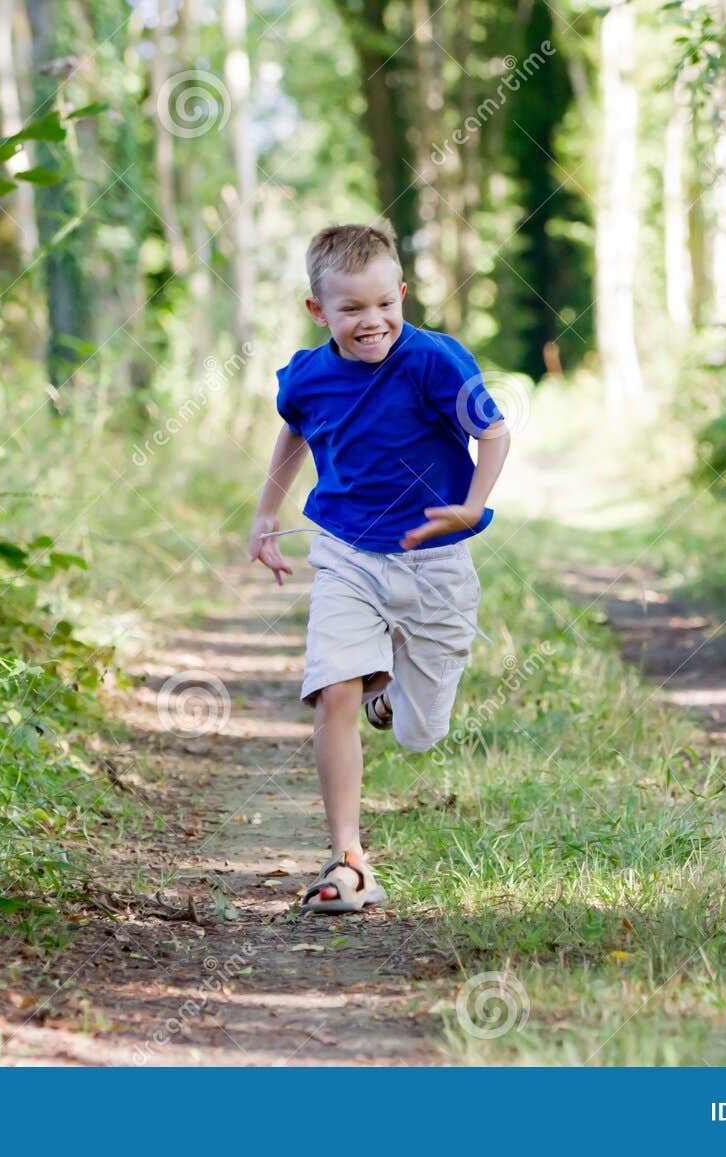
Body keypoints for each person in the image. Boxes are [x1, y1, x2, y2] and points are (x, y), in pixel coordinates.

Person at [248, 223, 511, 914]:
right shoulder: (308, 376)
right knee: (333, 690)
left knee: (421, 732)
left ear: (402, 293)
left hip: (437, 560)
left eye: (383, 304)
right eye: (351, 310)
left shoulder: (435, 362)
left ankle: (387, 689)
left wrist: (471, 508)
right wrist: (265, 513)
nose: (372, 322)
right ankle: (349, 858)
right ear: (318, 312)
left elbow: (495, 432)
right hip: (346, 552)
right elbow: (295, 431)